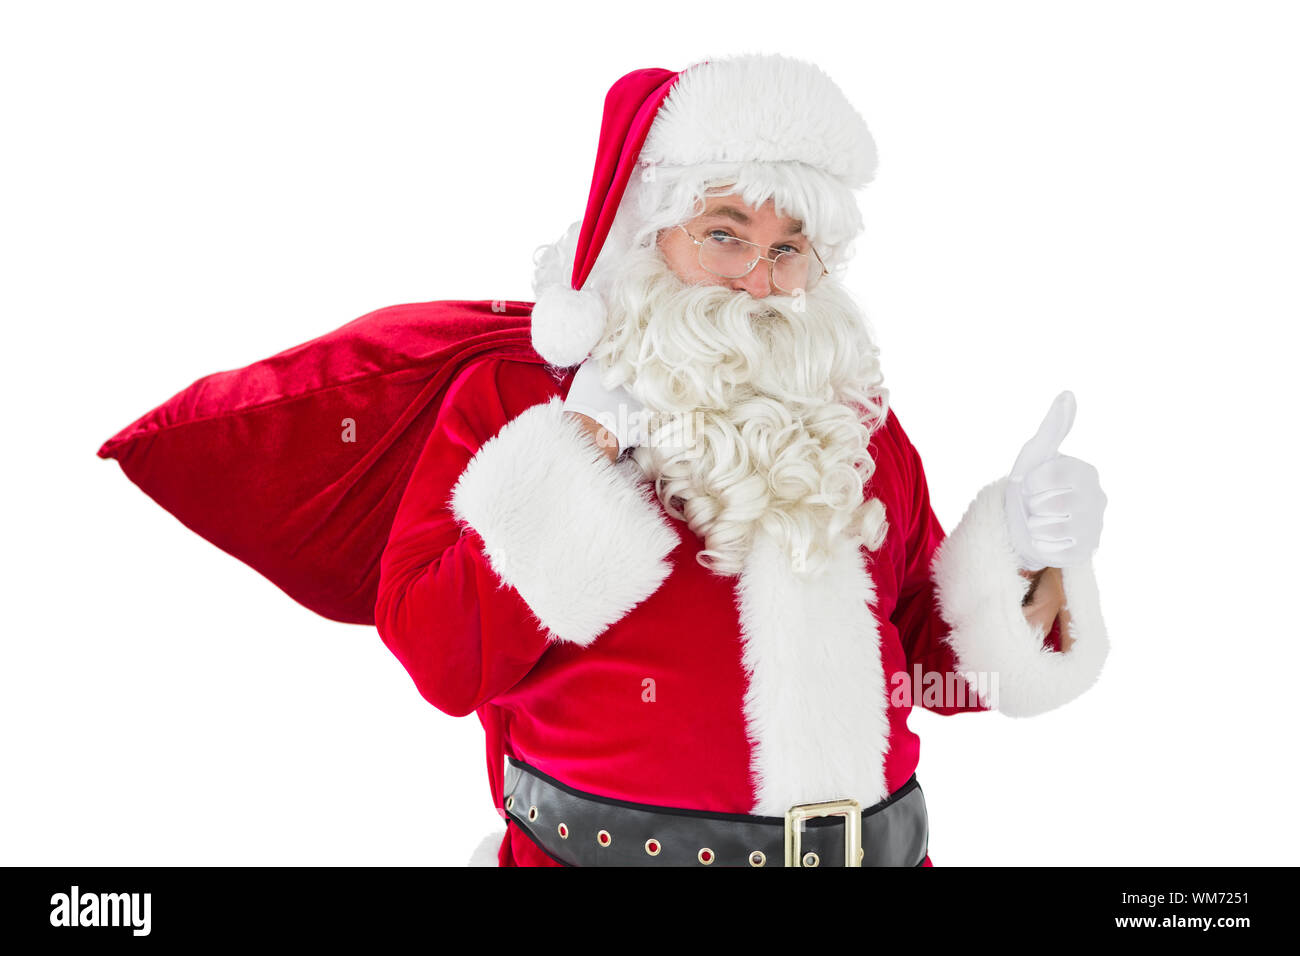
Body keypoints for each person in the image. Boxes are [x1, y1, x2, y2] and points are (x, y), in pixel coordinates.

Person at [374, 53, 1109, 867]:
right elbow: (442, 658)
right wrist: (580, 457)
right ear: (647, 234)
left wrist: (1025, 553)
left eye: (790, 249)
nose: (761, 284)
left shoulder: (855, 420)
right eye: (725, 236)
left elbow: (934, 658)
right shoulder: (521, 400)